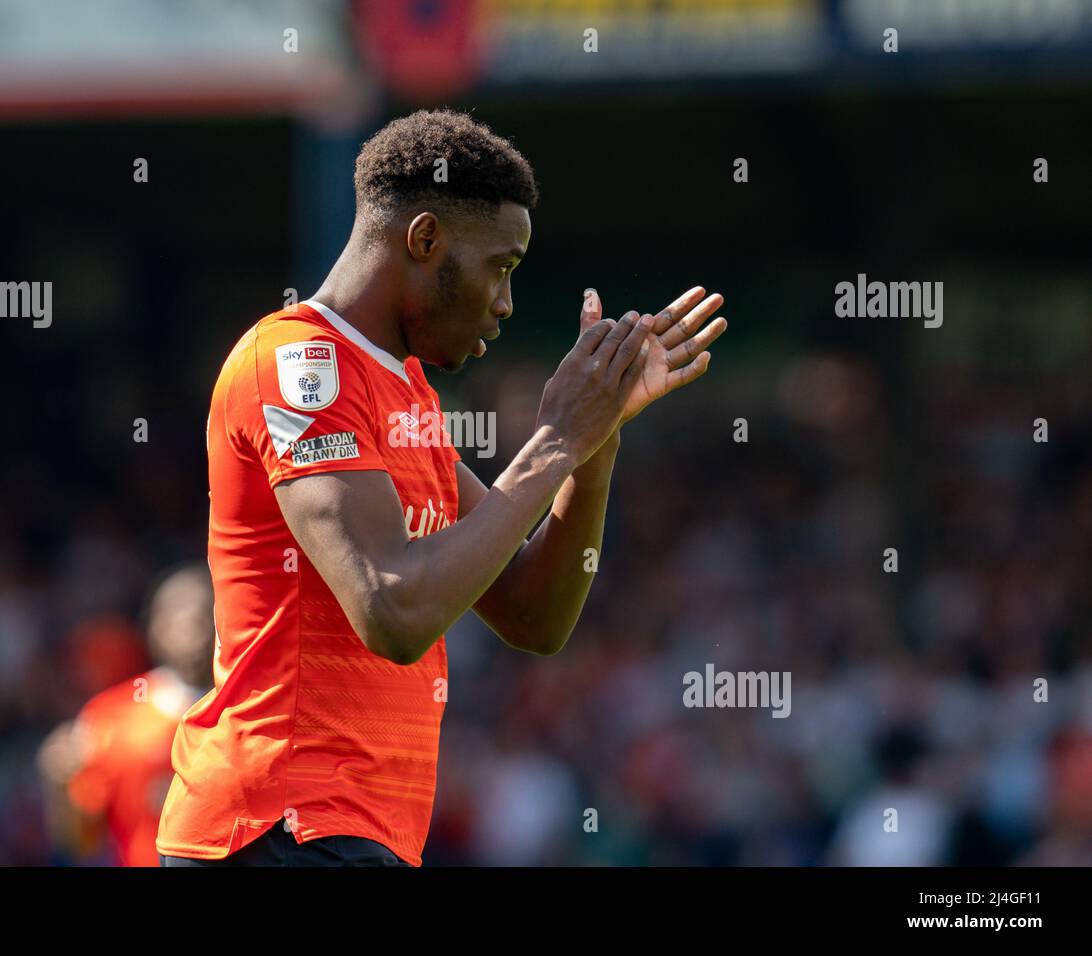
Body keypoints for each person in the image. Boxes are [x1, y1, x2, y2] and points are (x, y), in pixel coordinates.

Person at [156, 108, 726, 867]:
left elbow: (534, 614)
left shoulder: (407, 394)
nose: (505, 303)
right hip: (278, 825)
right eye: (502, 266)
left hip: (346, 833)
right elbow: (392, 608)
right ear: (424, 240)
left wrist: (593, 443)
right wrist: (555, 438)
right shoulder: (298, 368)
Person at [39, 564, 214, 866]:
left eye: (204, 614)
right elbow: (80, 840)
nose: (191, 628)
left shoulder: (253, 707)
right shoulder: (109, 717)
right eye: (176, 614)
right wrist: (57, 785)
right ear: (152, 627)